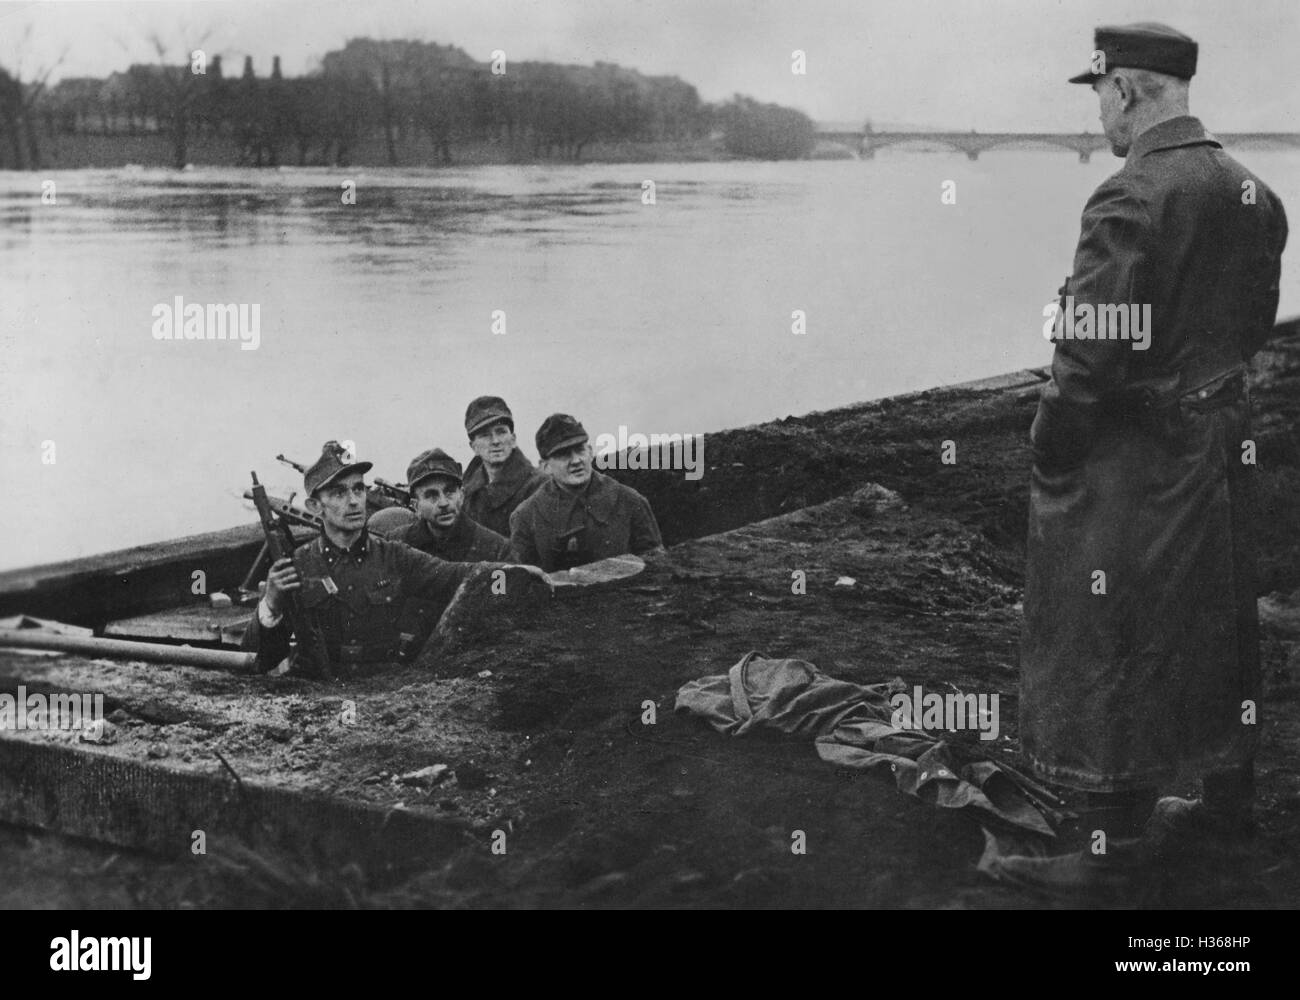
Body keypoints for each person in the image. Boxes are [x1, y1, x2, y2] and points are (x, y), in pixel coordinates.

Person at [1004, 23, 1288, 895]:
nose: (1097, 116)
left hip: (1136, 461)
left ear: (1126, 90)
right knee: (1214, 622)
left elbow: (1086, 363)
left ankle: (1109, 848)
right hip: (1217, 448)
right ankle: (1227, 806)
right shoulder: (1255, 193)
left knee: (1112, 627)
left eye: (1098, 96)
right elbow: (1246, 332)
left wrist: (1049, 446)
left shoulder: (1128, 200)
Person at [243, 441, 549, 677]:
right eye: (338, 493)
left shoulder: (394, 555)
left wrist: (516, 571)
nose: (353, 501)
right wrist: (271, 604)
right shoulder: (296, 566)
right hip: (316, 699)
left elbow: (459, 575)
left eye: (359, 489)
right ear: (314, 506)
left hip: (385, 698)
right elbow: (260, 658)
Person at [509, 414, 664, 572]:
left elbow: (656, 565)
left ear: (590, 452)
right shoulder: (526, 517)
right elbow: (522, 580)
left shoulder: (630, 501)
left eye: (580, 450)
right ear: (545, 466)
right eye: (563, 454)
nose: (576, 460)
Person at [397, 447, 513, 562]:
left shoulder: (497, 550)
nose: (443, 503)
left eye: (449, 492)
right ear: (416, 506)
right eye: (432, 495)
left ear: (462, 495)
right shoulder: (397, 544)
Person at [461, 395, 548, 538]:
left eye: (501, 432)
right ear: (473, 446)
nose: (495, 441)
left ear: (513, 439)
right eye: (485, 435)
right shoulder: (468, 493)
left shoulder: (539, 486)